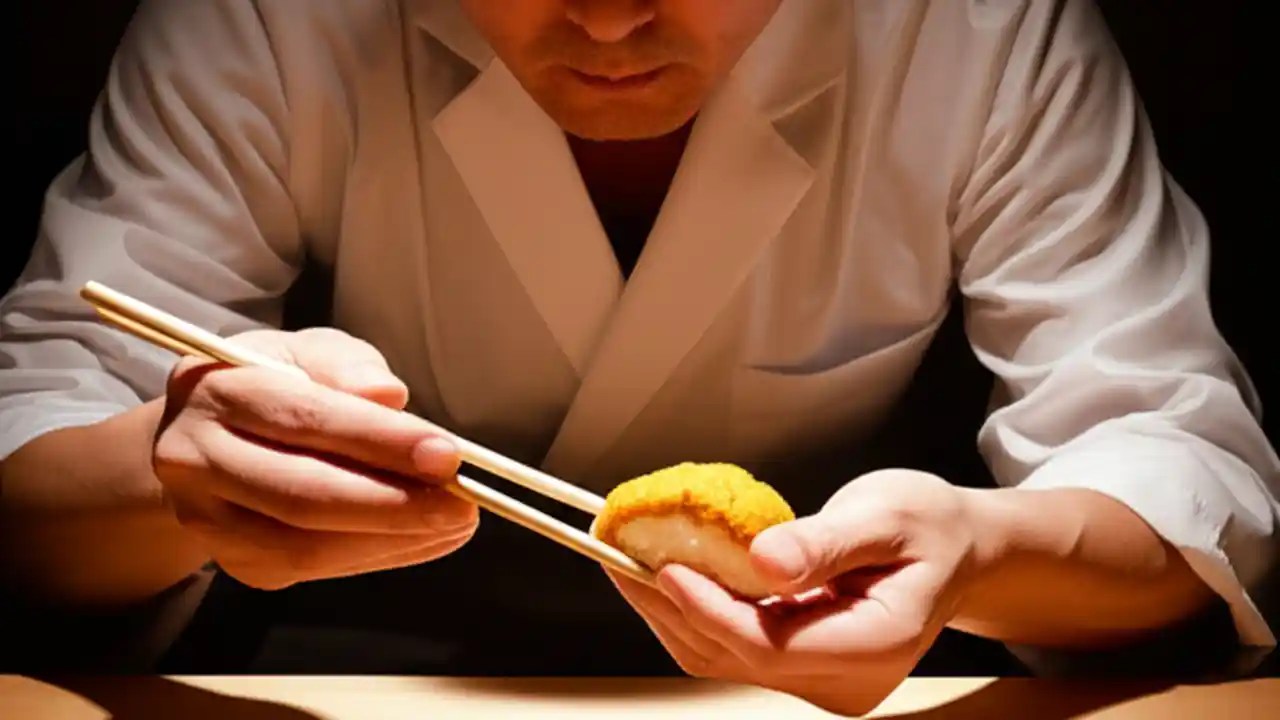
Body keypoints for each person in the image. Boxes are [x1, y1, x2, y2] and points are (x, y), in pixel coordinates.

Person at [1, 0, 1276, 713]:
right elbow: (31, 455)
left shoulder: (978, 29)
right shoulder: (263, 19)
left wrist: (976, 555)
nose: (609, 14)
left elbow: (1175, 475)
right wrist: (173, 477)